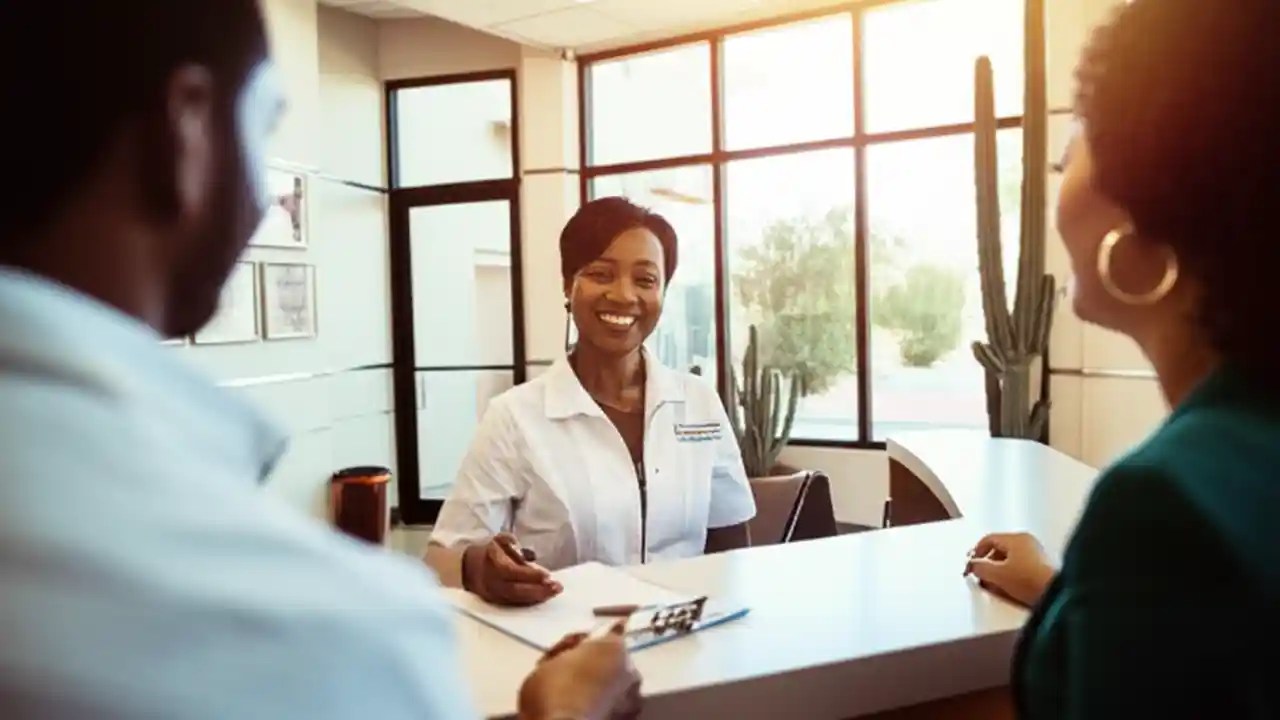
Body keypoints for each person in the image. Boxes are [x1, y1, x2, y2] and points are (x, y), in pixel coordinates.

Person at [0, 2, 639, 718]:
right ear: (184, 131)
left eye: (647, 279)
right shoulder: (339, 636)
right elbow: (449, 554)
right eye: (265, 125)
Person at [962, 1, 1280, 717]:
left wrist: (1122, 573)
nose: (1061, 162)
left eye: (1078, 134)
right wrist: (1071, 586)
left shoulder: (1163, 510)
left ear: (1156, 192)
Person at [425, 197, 756, 606]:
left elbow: (733, 550)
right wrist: (480, 569)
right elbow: (440, 558)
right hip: (566, 651)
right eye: (601, 274)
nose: (623, 295)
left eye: (645, 280)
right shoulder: (514, 417)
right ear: (568, 285)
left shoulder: (699, 404)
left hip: (686, 645)